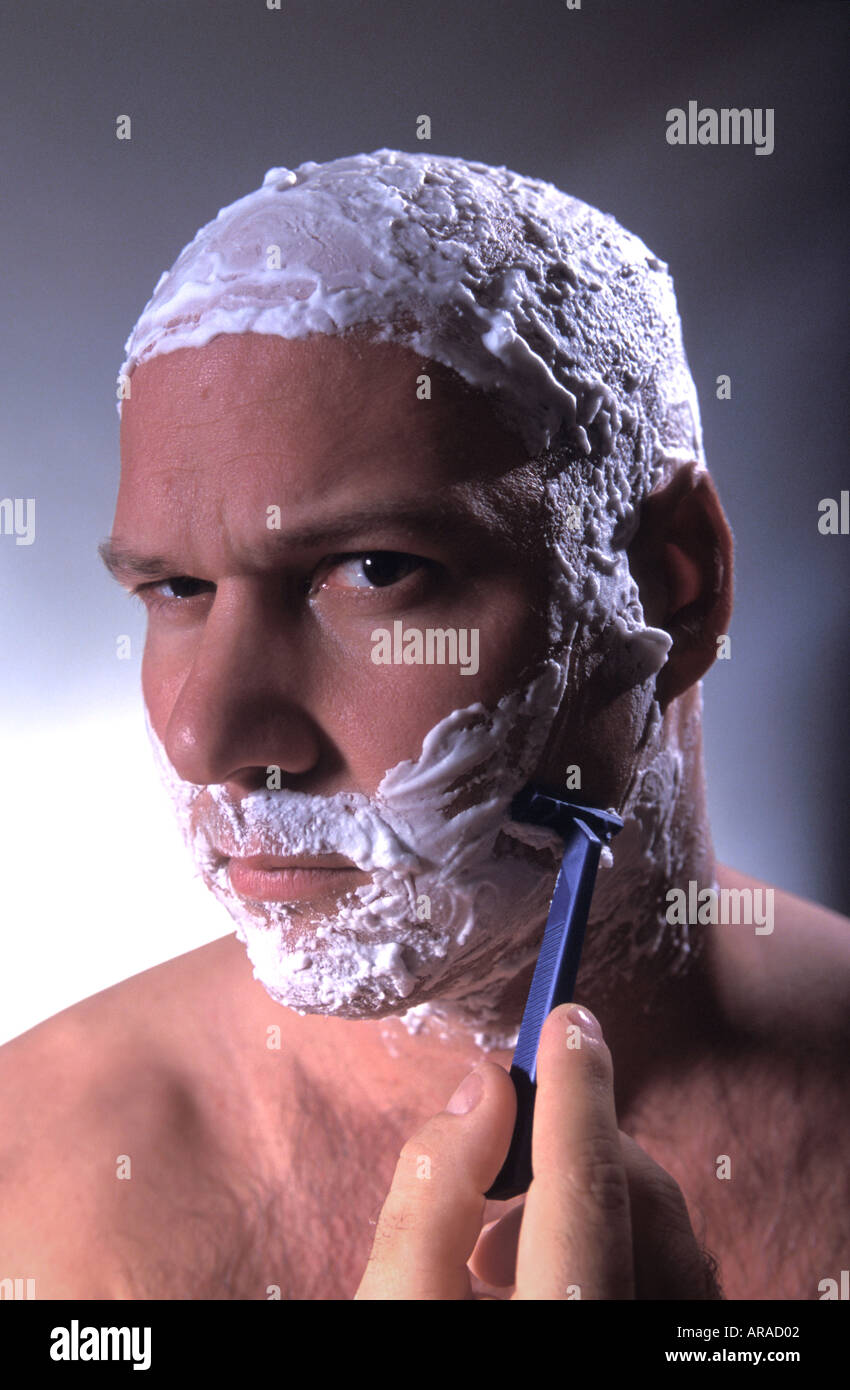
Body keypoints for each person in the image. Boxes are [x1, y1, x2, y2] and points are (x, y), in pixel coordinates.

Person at [1, 152, 847, 1301]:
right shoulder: (30, 1197)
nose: (206, 738)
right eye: (174, 590)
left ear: (670, 587)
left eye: (374, 568)